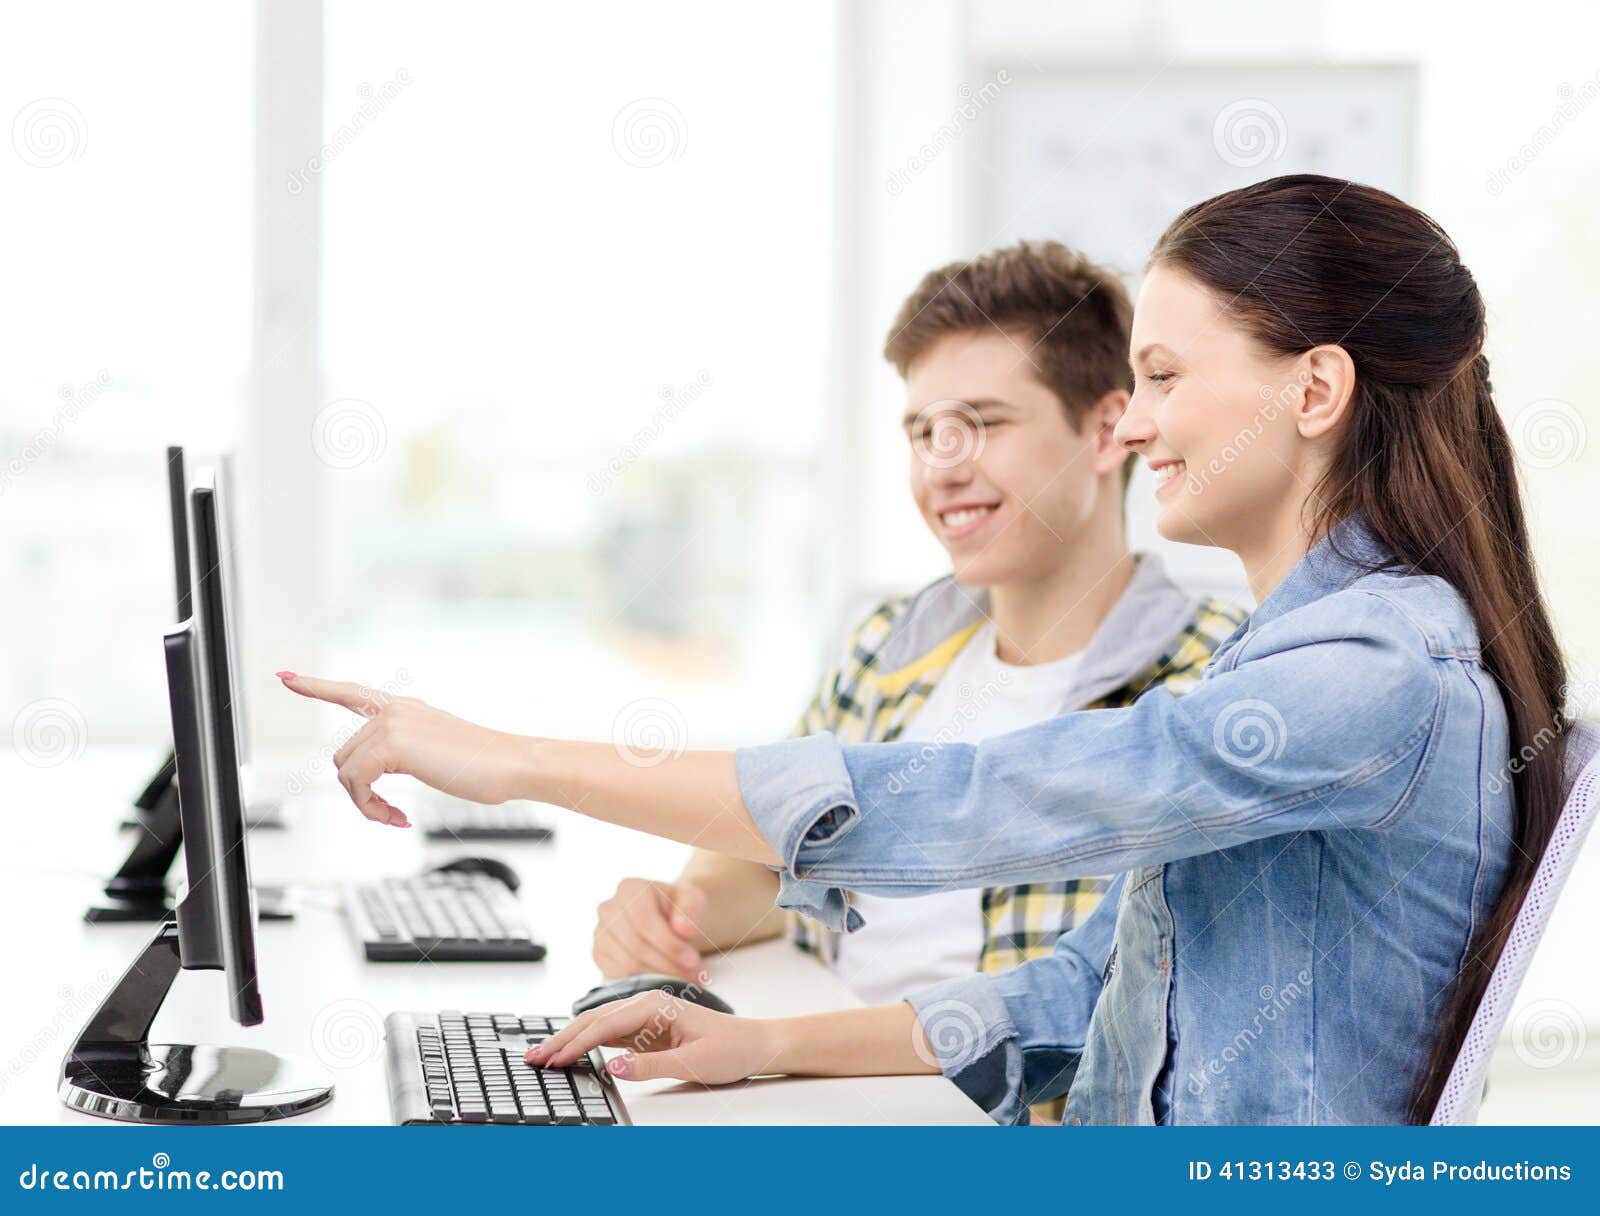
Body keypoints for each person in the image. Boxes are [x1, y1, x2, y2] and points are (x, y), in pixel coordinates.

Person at [282, 176, 1568, 1125]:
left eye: (1168, 378)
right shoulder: (1304, 649)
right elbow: (1090, 987)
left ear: (1315, 389)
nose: (1144, 426)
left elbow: (979, 799)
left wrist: (507, 758)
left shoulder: (1369, 670)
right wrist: (764, 1049)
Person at [587, 243, 1242, 1049]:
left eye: (983, 424)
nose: (941, 468)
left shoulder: (1215, 679)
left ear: (1108, 433)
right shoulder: (887, 649)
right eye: (923, 431)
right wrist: (672, 917)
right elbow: (764, 855)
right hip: (827, 1092)